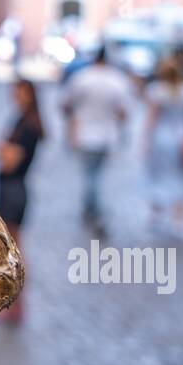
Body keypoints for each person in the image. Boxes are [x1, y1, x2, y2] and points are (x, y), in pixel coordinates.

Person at [59, 46, 134, 237]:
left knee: (90, 175)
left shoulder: (83, 78)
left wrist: (73, 121)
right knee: (95, 174)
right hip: (107, 135)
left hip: (85, 134)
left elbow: (66, 104)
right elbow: (124, 113)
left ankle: (94, 210)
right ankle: (92, 209)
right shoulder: (117, 80)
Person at [0, 78, 44, 323]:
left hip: (14, 190)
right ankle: (14, 305)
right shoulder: (23, 120)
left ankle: (16, 304)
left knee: (14, 251)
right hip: (12, 189)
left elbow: (10, 160)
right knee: (13, 248)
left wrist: (2, 149)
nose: (15, 95)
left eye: (19, 91)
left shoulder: (27, 126)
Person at [144, 57, 183, 235]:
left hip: (162, 140)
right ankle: (180, 221)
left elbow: (151, 119)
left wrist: (145, 142)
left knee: (159, 177)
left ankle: (157, 216)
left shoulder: (156, 91)